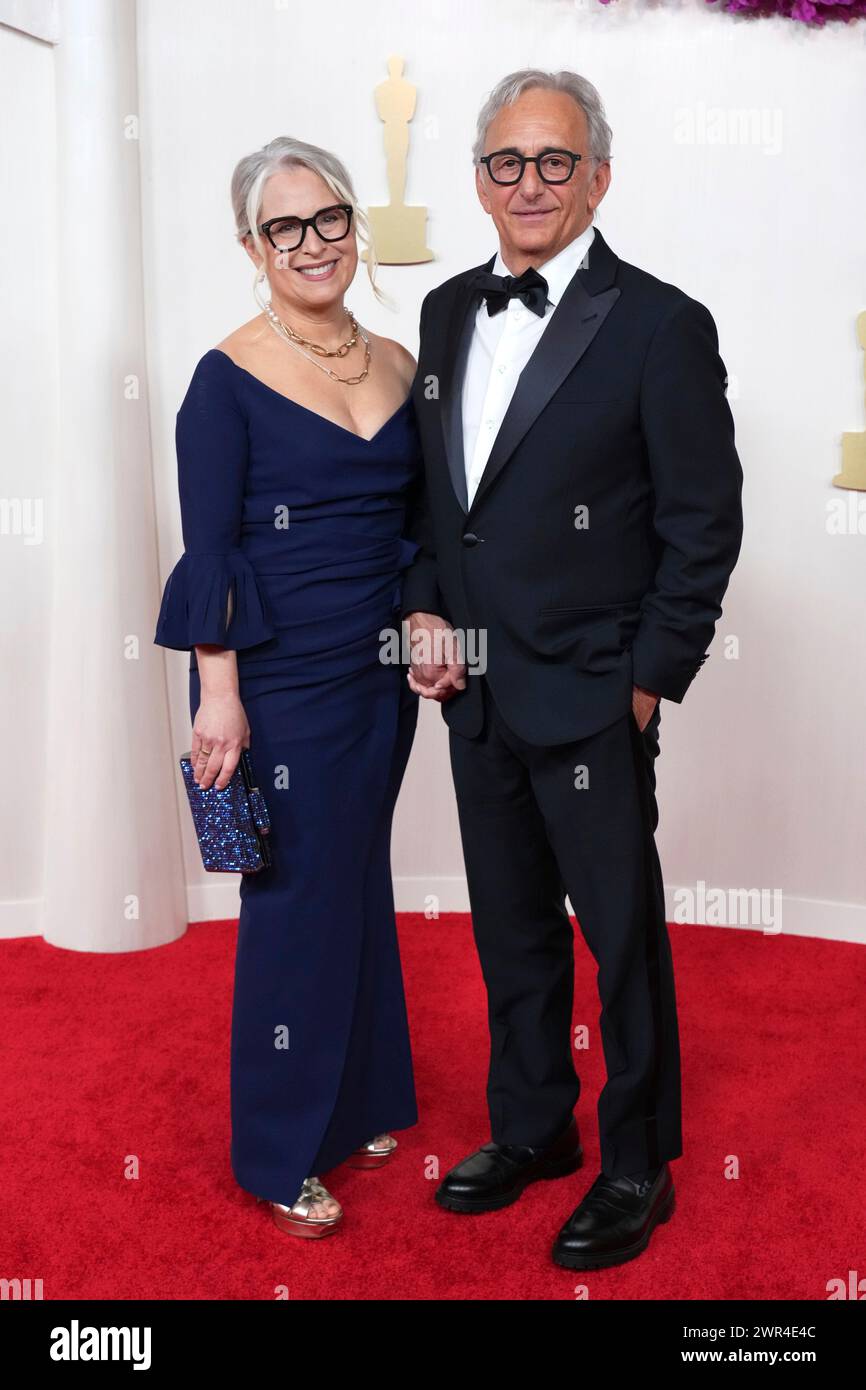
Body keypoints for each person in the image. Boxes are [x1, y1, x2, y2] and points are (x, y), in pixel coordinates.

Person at [402, 69, 744, 1269]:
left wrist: (648, 676)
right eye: (506, 162)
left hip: (595, 689)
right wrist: (423, 612)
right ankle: (534, 1128)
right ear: (479, 181)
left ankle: (636, 1161)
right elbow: (432, 503)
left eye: (554, 160)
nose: (529, 183)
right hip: (476, 693)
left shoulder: (660, 323)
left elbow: (703, 520)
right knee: (508, 932)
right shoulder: (445, 313)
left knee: (620, 934)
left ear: (598, 174)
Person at [154, 136, 422, 1238]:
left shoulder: (400, 361)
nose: (312, 244)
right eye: (284, 226)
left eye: (328, 220)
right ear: (250, 245)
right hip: (274, 678)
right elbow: (208, 547)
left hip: (378, 675)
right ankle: (275, 1146)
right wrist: (219, 694)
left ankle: (355, 1098)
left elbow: (415, 529)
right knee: (292, 900)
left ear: (354, 226)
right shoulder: (221, 380)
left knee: (356, 877)